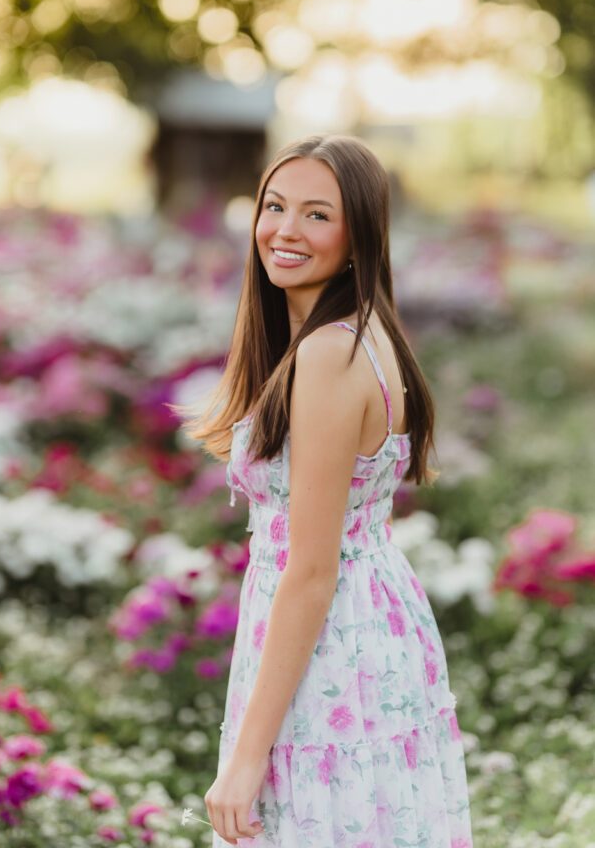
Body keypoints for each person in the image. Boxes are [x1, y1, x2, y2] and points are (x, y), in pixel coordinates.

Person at [187, 134, 474, 847]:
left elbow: (312, 569)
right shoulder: (366, 334)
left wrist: (246, 757)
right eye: (275, 206)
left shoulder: (327, 354)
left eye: (317, 215)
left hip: (330, 647)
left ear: (358, 238)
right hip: (370, 625)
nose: (285, 230)